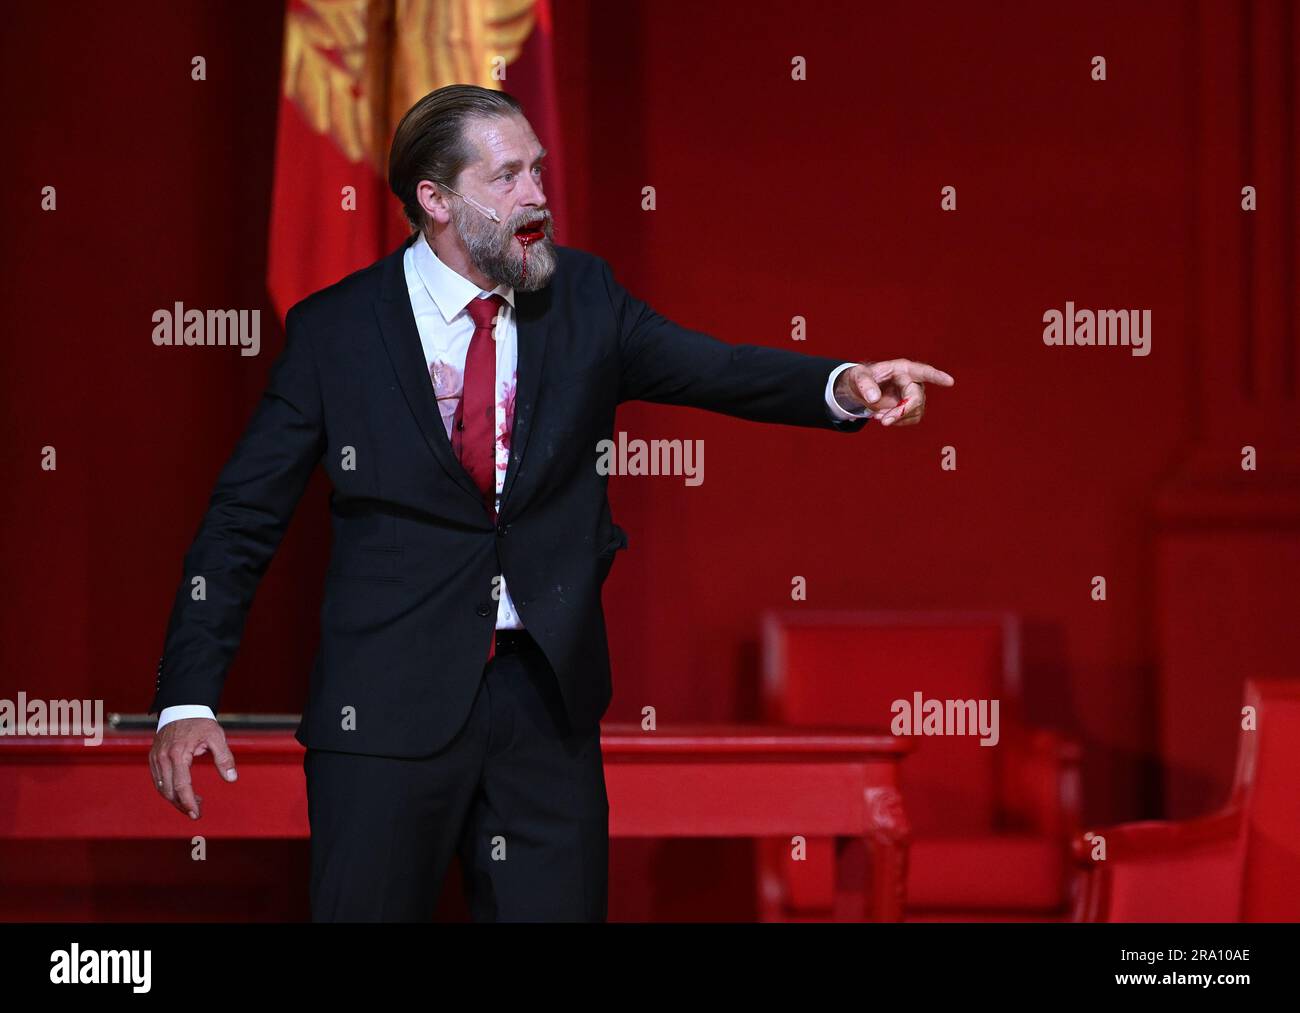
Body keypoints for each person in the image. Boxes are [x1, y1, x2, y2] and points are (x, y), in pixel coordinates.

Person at [148, 83, 954, 921]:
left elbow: (717, 369)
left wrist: (843, 385)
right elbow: (242, 518)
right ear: (436, 200)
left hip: (543, 710)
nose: (537, 194)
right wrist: (188, 695)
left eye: (537, 169)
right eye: (507, 177)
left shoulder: (583, 299)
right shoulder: (336, 332)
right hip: (381, 714)